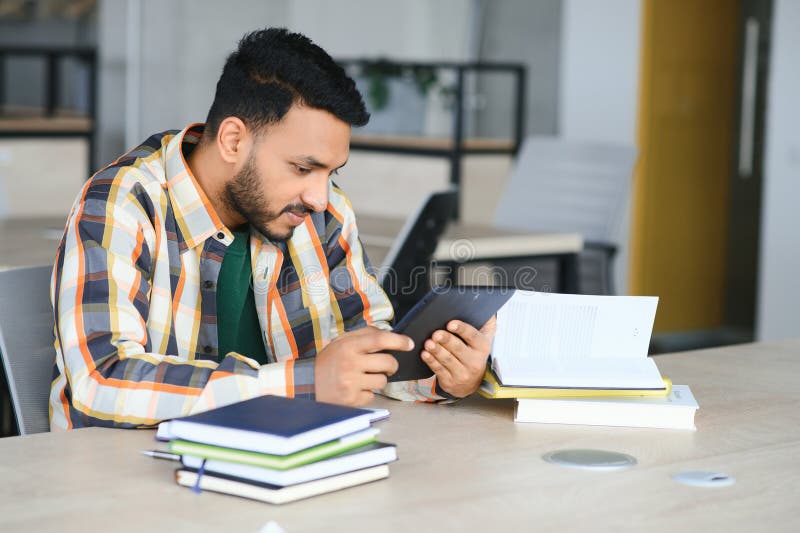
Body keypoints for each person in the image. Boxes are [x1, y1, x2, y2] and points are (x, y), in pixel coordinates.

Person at [49, 28, 496, 430]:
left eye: (331, 172)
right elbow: (100, 381)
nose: (320, 196)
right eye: (303, 167)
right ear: (233, 141)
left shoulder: (324, 213)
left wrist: (444, 374)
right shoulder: (122, 203)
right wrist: (300, 384)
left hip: (277, 476)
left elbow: (361, 366)